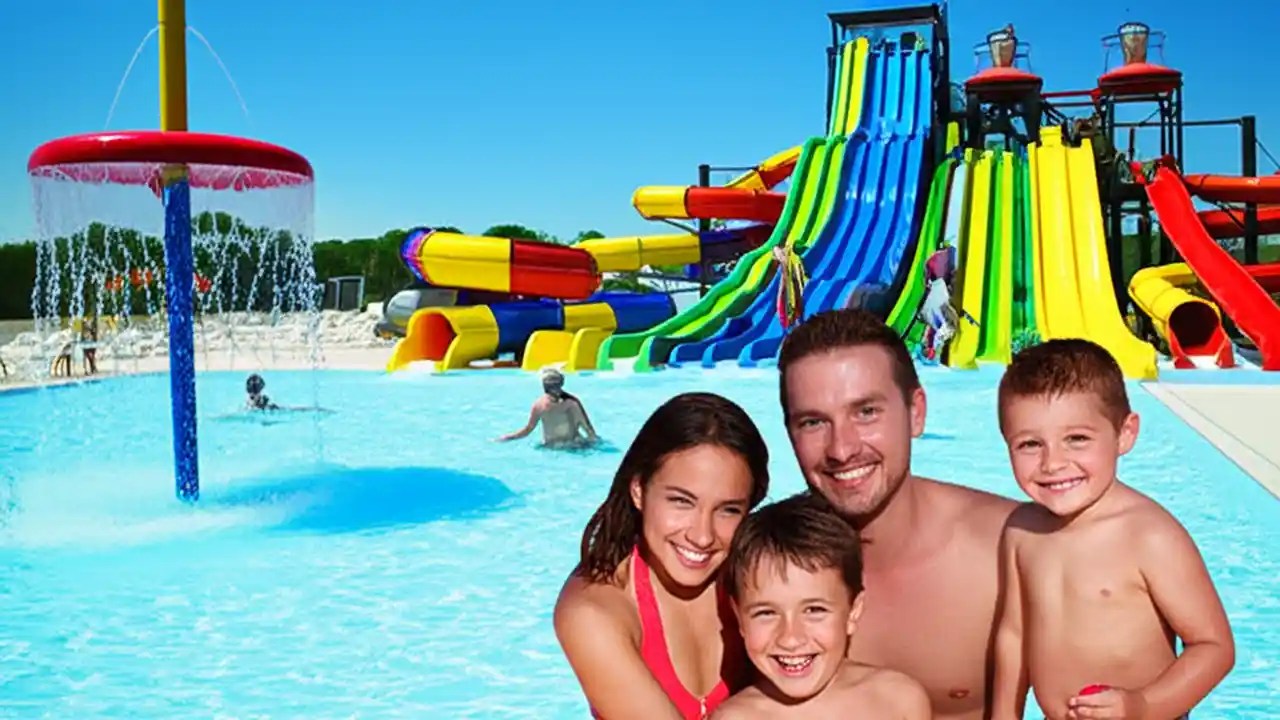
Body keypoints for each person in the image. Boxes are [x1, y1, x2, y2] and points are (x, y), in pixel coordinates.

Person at [776, 308, 1017, 720]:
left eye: (866, 412)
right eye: (813, 422)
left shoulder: (1007, 549)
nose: (841, 449)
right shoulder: (760, 567)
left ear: (916, 412)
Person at [990, 339, 1235, 720]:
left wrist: (1143, 705)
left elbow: (1214, 647)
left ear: (1125, 434)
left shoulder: (1149, 536)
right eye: (1030, 444)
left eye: (1077, 439)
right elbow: (1014, 635)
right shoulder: (1021, 531)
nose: (1053, 463)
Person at [553, 392, 771, 720]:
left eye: (728, 509)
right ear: (639, 489)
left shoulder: (766, 578)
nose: (702, 536)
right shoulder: (593, 611)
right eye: (681, 501)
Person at [711, 493, 931, 719]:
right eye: (766, 613)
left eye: (814, 610)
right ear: (739, 617)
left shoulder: (897, 701)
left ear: (853, 611)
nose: (790, 639)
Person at [496, 368, 598, 448]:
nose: (556, 391)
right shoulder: (539, 405)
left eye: (557, 386)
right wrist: (509, 437)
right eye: (553, 387)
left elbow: (589, 430)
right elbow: (528, 429)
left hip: (572, 445)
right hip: (552, 447)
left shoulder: (571, 403)